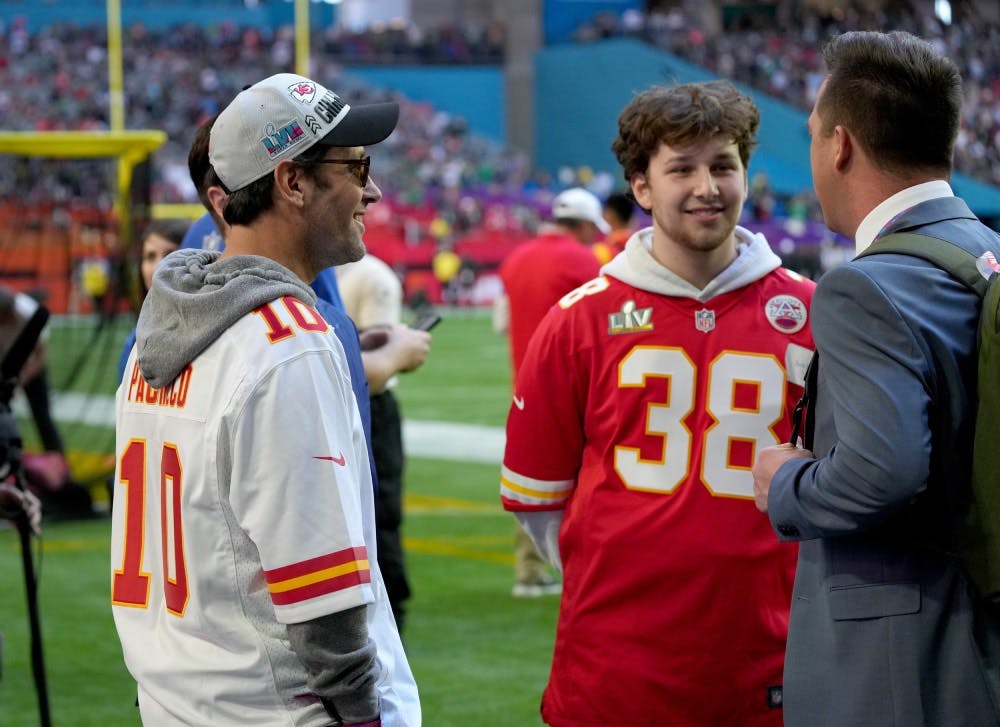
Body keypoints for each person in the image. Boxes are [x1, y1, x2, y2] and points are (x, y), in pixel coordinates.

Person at [500, 80, 816, 726]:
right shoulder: (577, 322)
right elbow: (537, 502)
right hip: (614, 667)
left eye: (723, 165)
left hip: (768, 663)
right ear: (641, 187)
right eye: (682, 169)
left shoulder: (813, 313)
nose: (707, 187)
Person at [111, 72, 420, 725]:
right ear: (293, 182)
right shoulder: (287, 346)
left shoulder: (153, 338)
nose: (372, 190)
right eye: (356, 167)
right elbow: (321, 594)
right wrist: (362, 714)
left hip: (180, 700)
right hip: (275, 708)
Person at [751, 30, 1000, 727]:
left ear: (840, 145)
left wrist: (784, 483)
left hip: (900, 657)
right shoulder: (985, 251)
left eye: (811, 134)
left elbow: (881, 472)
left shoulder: (867, 285)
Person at [493, 187, 605, 597]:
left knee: (533, 482)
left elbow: (502, 323)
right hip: (577, 386)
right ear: (584, 225)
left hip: (524, 384)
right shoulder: (583, 260)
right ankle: (578, 568)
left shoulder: (517, 258)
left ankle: (528, 569)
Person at [336, 253, 422, 634]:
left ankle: (388, 610)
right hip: (358, 399)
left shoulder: (368, 277)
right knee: (369, 512)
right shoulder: (364, 276)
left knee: (377, 512)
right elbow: (378, 360)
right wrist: (401, 352)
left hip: (362, 403)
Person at [117, 218, 190, 381]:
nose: (159, 266)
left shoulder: (211, 332)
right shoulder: (134, 342)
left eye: (170, 254)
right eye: (150, 257)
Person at [593, 190, 636, 264]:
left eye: (605, 211)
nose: (603, 214)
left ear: (611, 214)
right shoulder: (637, 241)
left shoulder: (611, 245)